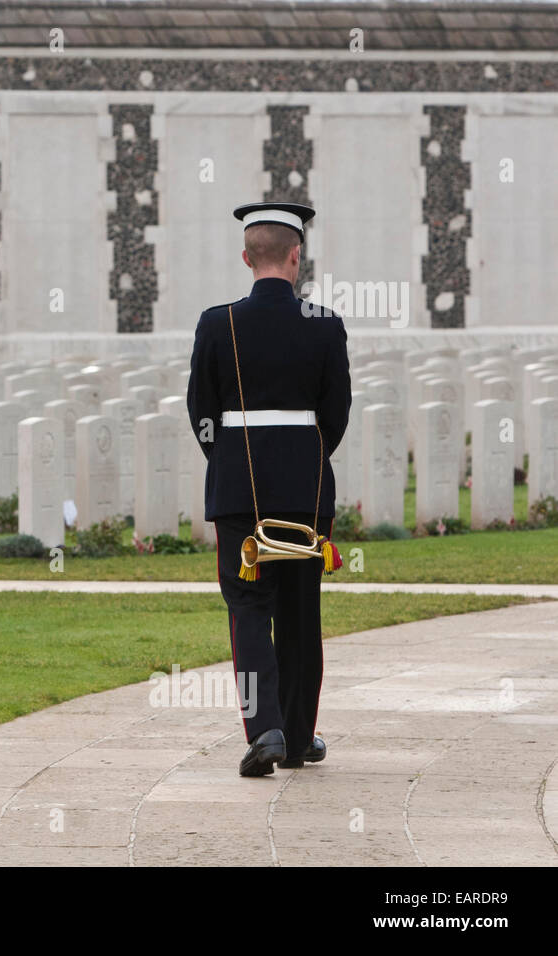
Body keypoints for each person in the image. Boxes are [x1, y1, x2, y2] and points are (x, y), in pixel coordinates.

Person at [186, 201, 351, 776]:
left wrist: (230, 457)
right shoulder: (326, 324)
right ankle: (302, 735)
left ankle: (269, 733)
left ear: (245, 256)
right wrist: (304, 457)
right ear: (296, 256)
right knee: (302, 611)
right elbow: (336, 413)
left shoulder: (217, 322)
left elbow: (202, 412)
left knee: (249, 610)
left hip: (238, 488)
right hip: (307, 487)